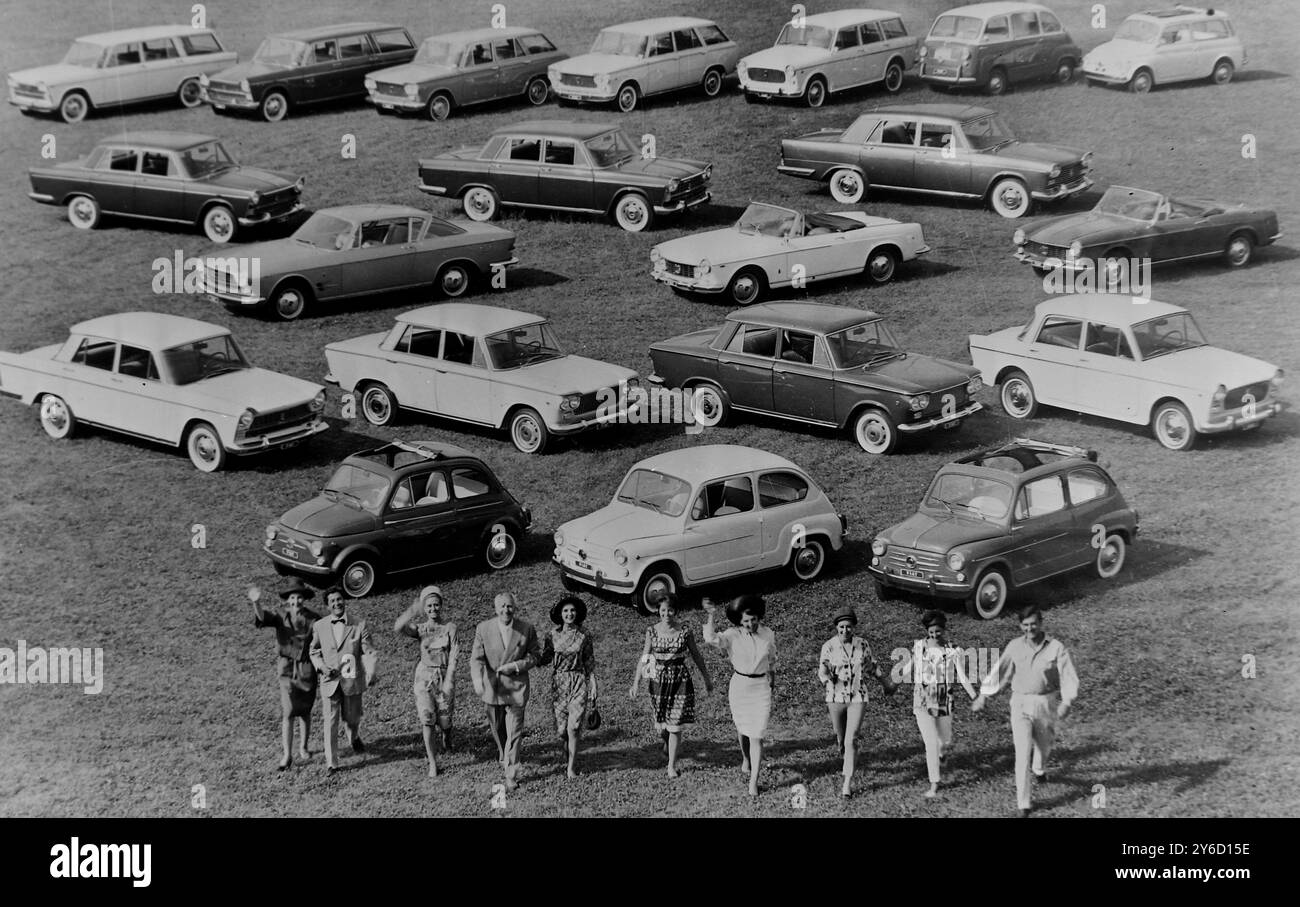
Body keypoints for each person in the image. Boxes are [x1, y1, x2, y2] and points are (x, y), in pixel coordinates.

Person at [972, 605, 1079, 816]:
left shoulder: (1056, 647)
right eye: (1025, 625)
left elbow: (1068, 675)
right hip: (1019, 703)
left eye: (1033, 624)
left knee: (1045, 745)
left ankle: (1039, 768)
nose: (1029, 629)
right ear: (1020, 625)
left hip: (1045, 703)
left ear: (1041, 623)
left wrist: (1067, 701)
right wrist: (983, 695)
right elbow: (1000, 671)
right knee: (1021, 754)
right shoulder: (1014, 646)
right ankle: (1024, 802)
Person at [628, 593, 712, 779]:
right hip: (657, 682)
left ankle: (671, 766)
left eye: (671, 610)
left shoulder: (685, 631)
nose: (667, 614)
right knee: (662, 727)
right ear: (658, 611)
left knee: (675, 726)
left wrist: (706, 678)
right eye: (663, 610)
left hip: (680, 682)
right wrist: (636, 683)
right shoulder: (652, 631)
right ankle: (666, 742)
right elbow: (645, 658)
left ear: (676, 611)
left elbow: (697, 655)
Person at [817, 607, 894, 798]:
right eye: (841, 627)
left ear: (854, 627)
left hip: (857, 696)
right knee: (841, 738)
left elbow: (872, 666)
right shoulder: (829, 646)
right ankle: (844, 752)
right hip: (835, 697)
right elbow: (822, 670)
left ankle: (847, 784)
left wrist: (885, 683)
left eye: (849, 627)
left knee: (852, 739)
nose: (845, 631)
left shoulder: (863, 645)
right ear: (836, 627)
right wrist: (828, 679)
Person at [703, 595, 775, 797]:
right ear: (739, 622)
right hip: (740, 687)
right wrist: (710, 616)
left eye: (753, 619)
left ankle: (753, 782)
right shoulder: (732, 635)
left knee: (757, 734)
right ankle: (746, 758)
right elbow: (711, 639)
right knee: (743, 729)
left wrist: (773, 676)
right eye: (746, 621)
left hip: (761, 686)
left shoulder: (768, 634)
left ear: (758, 617)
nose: (751, 624)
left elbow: (772, 658)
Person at [470, 592, 542, 791]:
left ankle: (511, 773)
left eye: (509, 606)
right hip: (492, 689)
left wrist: (516, 666)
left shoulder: (526, 629)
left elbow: (535, 655)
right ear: (495, 609)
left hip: (516, 689)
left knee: (515, 732)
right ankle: (503, 753)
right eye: (502, 606)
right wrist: (477, 680)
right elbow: (476, 658)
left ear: (514, 608)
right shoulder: (483, 629)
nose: (506, 610)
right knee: (498, 728)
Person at [252, 580, 321, 771]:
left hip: (307, 669)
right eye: (292, 597)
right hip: (287, 669)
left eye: (299, 597)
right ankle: (287, 755)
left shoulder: (314, 618)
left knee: (305, 711)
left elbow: (325, 636)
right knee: (288, 711)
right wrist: (256, 602)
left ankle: (304, 747)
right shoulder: (280, 616)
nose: (296, 600)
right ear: (288, 600)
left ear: (304, 599)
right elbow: (262, 618)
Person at [309, 588, 377, 774]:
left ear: (344, 601)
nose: (337, 604)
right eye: (332, 601)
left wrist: (371, 671)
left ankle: (353, 736)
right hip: (330, 682)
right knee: (330, 721)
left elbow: (369, 651)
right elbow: (313, 651)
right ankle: (332, 762)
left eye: (339, 600)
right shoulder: (320, 626)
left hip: (351, 680)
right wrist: (322, 667)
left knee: (352, 717)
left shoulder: (358, 625)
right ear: (327, 605)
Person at [394, 586, 458, 777]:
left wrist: (449, 679)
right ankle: (433, 762)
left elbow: (454, 653)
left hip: (444, 676)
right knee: (427, 718)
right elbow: (398, 627)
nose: (433, 609)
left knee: (445, 720)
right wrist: (413, 610)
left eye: (436, 605)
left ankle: (447, 736)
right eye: (429, 606)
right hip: (424, 678)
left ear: (441, 605)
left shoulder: (450, 627)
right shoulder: (420, 629)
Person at [911, 610, 976, 799]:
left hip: (943, 701)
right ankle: (934, 784)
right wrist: (892, 682)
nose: (933, 636)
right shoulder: (919, 646)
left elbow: (962, 677)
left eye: (937, 632)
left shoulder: (952, 650)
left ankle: (942, 751)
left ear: (944, 629)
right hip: (922, 701)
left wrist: (974, 696)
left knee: (945, 740)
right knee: (930, 743)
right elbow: (909, 666)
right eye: (931, 632)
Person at [538, 595, 596, 779]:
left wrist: (593, 683)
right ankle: (568, 750)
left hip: (578, 681)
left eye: (572, 610)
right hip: (559, 684)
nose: (569, 614)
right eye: (565, 611)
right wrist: (530, 657)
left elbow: (589, 661)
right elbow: (545, 657)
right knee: (562, 730)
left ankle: (571, 767)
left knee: (575, 726)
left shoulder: (584, 635)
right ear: (560, 614)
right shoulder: (552, 635)